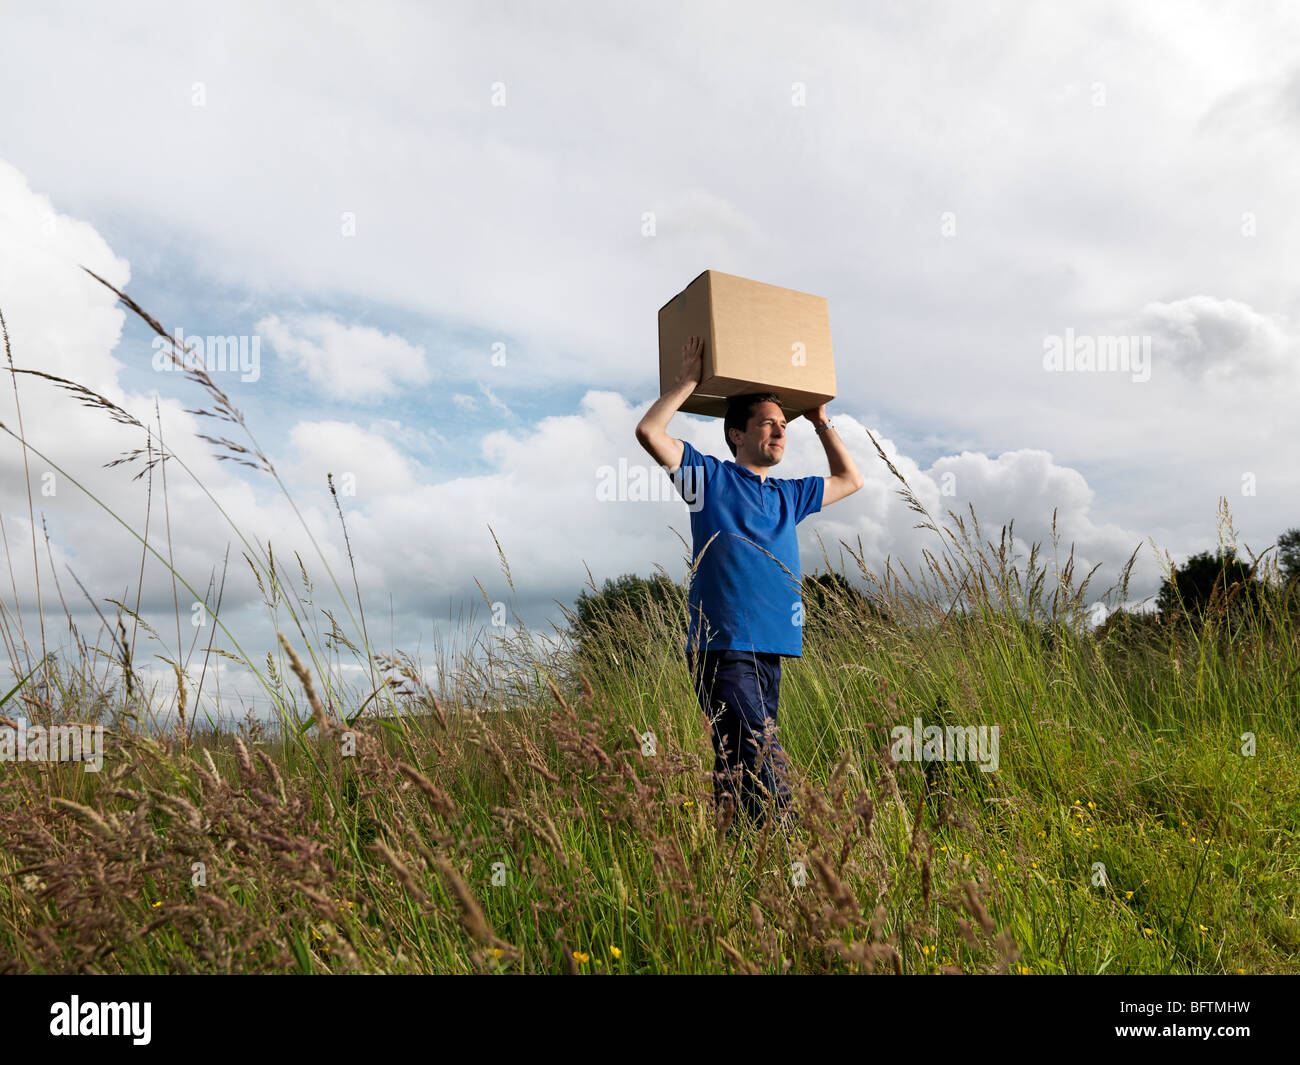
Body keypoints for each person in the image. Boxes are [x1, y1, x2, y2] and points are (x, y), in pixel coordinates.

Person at [635, 335, 864, 832]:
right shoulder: (708, 480)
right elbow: (651, 431)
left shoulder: (789, 496)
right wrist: (687, 383)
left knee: (736, 765)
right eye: (768, 425)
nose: (780, 433)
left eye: (784, 427)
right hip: (723, 647)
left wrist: (821, 423)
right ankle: (792, 853)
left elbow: (851, 479)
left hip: (772, 648)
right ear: (737, 434)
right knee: (764, 754)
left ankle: (734, 860)